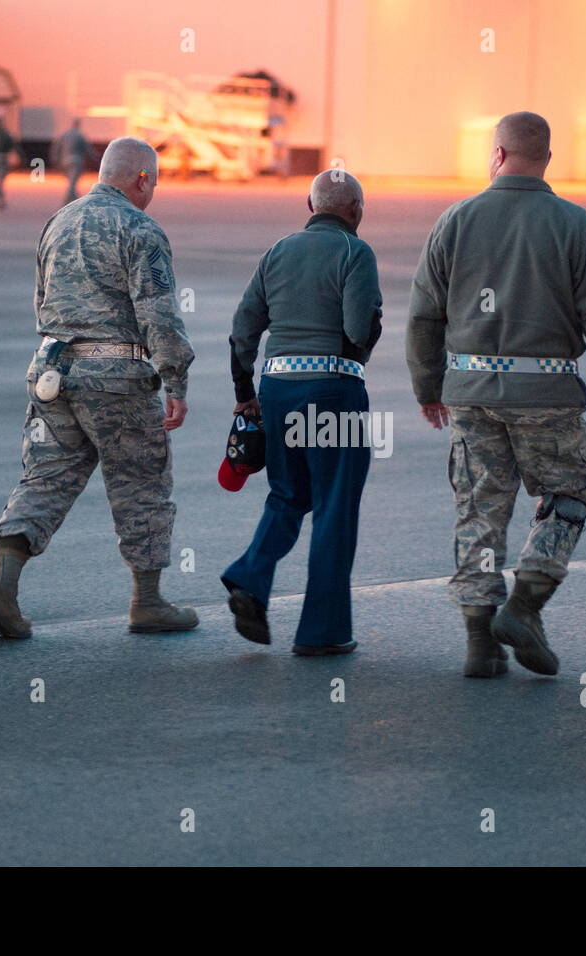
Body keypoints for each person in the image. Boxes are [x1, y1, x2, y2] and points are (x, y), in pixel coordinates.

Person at [406, 111, 586, 678]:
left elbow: (423, 315)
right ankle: (526, 603)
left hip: (468, 389)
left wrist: (427, 386)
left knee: (480, 508)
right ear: (548, 160)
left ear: (498, 154)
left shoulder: (455, 220)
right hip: (548, 391)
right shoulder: (577, 226)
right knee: (572, 488)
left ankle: (479, 645)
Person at [0, 137, 197, 639]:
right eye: (154, 183)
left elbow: (41, 302)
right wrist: (175, 380)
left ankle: (3, 591)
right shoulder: (141, 228)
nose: (153, 193)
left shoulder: (58, 220)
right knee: (142, 483)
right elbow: (159, 315)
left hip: (53, 371)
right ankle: (148, 601)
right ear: (142, 178)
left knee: (44, 480)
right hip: (116, 377)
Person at [220, 170, 383, 657]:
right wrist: (373, 321)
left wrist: (244, 392)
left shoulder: (277, 251)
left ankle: (251, 577)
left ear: (309, 206)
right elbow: (356, 331)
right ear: (356, 210)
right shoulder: (356, 252)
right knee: (334, 509)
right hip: (333, 392)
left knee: (287, 496)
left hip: (277, 390)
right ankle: (323, 632)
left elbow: (241, 330)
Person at [52, 119, 96, 205]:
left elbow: (55, 148)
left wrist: (55, 159)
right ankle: (68, 202)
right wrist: (95, 157)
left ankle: (74, 200)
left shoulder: (64, 135)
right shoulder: (80, 135)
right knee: (72, 183)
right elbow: (88, 149)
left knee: (71, 182)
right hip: (76, 161)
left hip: (64, 161)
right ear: (78, 125)